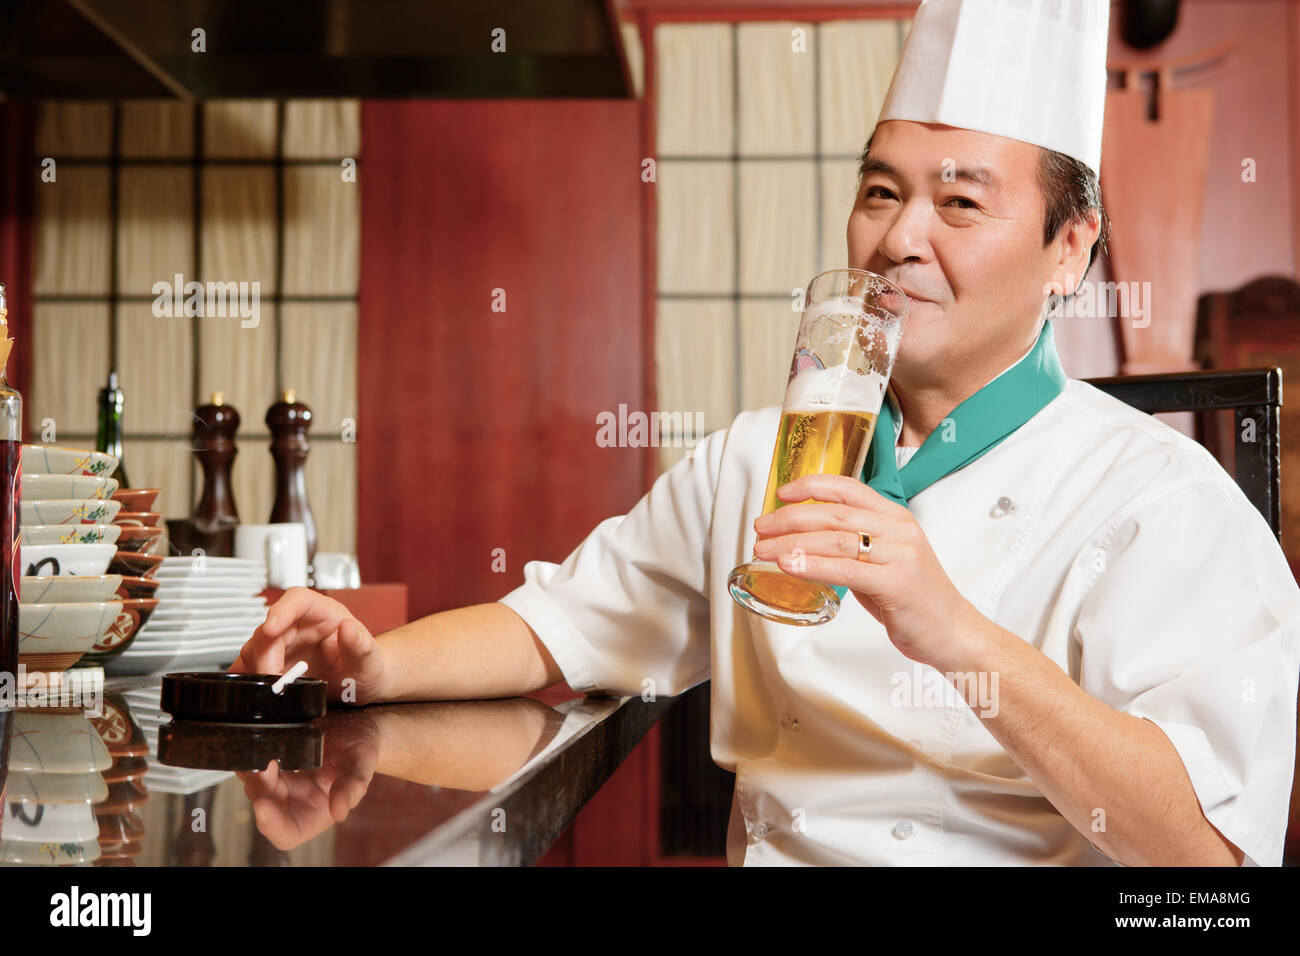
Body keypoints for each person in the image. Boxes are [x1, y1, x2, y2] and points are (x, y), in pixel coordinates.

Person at [232, 0, 1299, 866]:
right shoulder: (759, 456)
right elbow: (561, 623)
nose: (899, 239)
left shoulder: (1162, 500)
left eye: (960, 205)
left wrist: (955, 631)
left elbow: (1204, 856)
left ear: (1069, 250)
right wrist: (367, 668)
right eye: (880, 193)